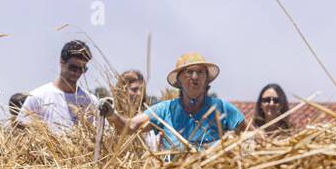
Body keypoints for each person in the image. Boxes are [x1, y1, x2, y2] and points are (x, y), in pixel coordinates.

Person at [119, 52, 247, 151]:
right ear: (179, 80)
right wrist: (111, 115)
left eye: (200, 72)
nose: (195, 77)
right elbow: (130, 126)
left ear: (207, 78)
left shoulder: (221, 108)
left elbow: (250, 133)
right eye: (189, 72)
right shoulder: (164, 110)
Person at [17, 41, 106, 135]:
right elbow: (21, 132)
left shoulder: (91, 101)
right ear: (62, 62)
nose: (77, 73)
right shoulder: (37, 97)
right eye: (73, 68)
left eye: (82, 69)